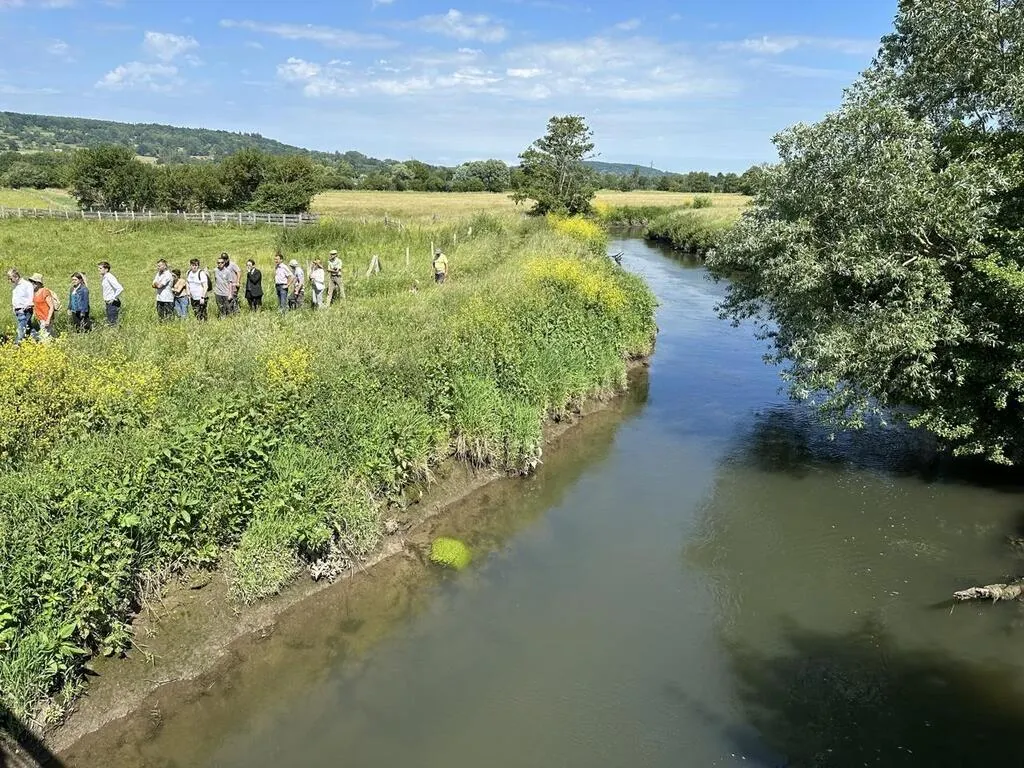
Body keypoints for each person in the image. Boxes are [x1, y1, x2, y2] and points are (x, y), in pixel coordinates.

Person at [8, 268, 34, 344]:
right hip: (18, 310)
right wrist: (14, 308)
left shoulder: (26, 284)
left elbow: (30, 297)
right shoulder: (15, 286)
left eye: (11, 278)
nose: (10, 281)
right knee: (27, 328)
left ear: (16, 276)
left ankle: (17, 345)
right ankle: (30, 342)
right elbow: (15, 298)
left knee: (21, 329)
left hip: (25, 310)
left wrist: (24, 308)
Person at [28, 273, 58, 339]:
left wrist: (48, 319)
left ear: (39, 283)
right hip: (40, 318)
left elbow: (51, 307)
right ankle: (57, 341)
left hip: (46, 317)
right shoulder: (34, 292)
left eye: (34, 282)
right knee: (49, 333)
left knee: (44, 336)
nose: (32, 284)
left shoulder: (45, 291)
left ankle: (48, 347)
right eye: (31, 282)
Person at [98, 261, 124, 326]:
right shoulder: (105, 277)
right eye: (98, 268)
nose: (99, 270)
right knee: (110, 321)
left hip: (112, 303)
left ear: (106, 269)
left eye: (100, 268)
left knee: (113, 323)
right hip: (109, 302)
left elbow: (120, 288)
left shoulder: (109, 276)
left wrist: (113, 298)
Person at [213, 253, 236, 318]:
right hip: (218, 293)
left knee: (228, 308)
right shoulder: (215, 270)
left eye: (222, 262)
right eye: (218, 263)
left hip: (226, 293)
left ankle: (229, 320)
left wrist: (230, 294)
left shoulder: (228, 271)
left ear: (224, 263)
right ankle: (222, 319)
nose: (220, 264)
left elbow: (230, 283)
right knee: (220, 308)